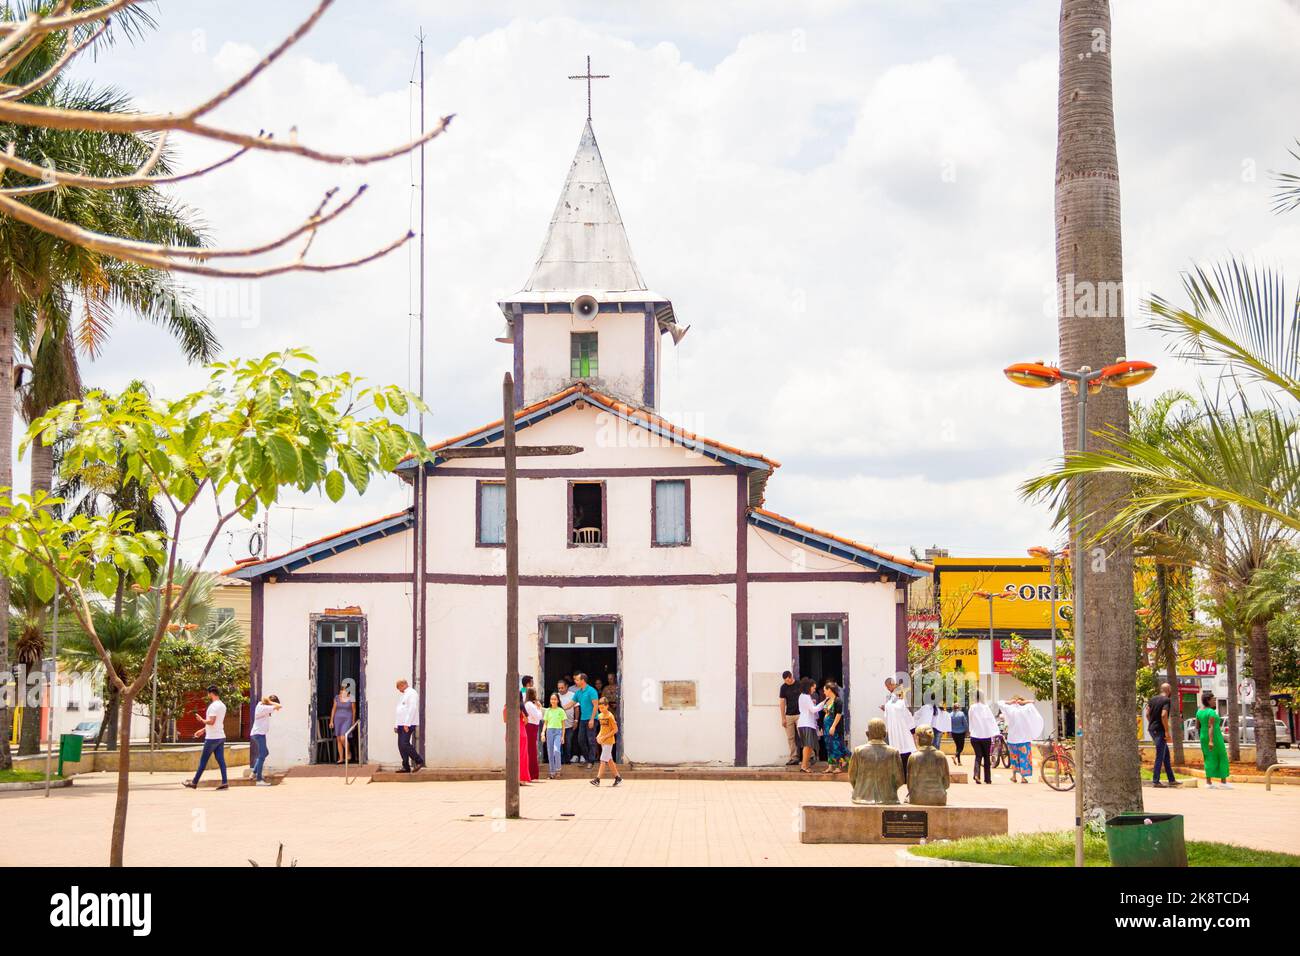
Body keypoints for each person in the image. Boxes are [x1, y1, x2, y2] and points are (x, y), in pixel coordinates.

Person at [183, 685, 228, 790]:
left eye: (208, 693)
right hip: (220, 736)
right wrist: (203, 730)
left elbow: (211, 722)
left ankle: (194, 782)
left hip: (212, 738)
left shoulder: (213, 706)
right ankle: (225, 781)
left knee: (203, 761)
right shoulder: (222, 705)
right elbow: (216, 722)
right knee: (221, 760)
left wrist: (201, 720)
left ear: (211, 693)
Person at [999, 697, 1045, 783]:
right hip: (1024, 739)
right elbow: (1033, 702)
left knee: (1014, 759)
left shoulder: (1010, 709)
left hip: (1012, 740)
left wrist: (1009, 701)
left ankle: (1014, 776)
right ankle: (1023, 778)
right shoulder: (1026, 709)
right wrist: (1025, 701)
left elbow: (1000, 702)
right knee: (1024, 759)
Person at [1146, 682, 1182, 788]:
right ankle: (1155, 781)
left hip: (1152, 729)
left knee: (1166, 755)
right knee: (1160, 755)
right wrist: (1166, 731)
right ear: (1169, 690)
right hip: (1160, 731)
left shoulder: (1152, 699)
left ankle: (1171, 780)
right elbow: (1164, 715)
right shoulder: (1166, 700)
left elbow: (1148, 714)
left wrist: (1152, 723)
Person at [1197, 690, 1231, 789]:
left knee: (1208, 757)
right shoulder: (1211, 712)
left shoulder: (1199, 711)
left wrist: (1204, 737)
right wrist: (1211, 740)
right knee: (1222, 756)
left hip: (1203, 736)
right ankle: (1223, 782)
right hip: (1214, 737)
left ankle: (1208, 782)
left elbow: (1197, 726)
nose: (1214, 701)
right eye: (1213, 699)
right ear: (1208, 700)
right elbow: (1210, 726)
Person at [882, 685, 916, 782]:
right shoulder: (902, 703)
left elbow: (886, 717)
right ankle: (906, 778)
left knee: (898, 755)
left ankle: (899, 778)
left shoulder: (888, 705)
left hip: (894, 734)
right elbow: (908, 718)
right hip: (904, 732)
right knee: (907, 753)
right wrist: (913, 731)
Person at [250, 694, 281, 785]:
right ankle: (259, 779)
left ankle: (254, 773)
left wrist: (268, 702)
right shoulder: (264, 708)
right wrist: (271, 702)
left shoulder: (260, 705)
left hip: (259, 733)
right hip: (259, 734)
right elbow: (279, 706)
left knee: (264, 753)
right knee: (262, 754)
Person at [591, 697, 623, 787]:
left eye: (603, 708)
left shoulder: (610, 716)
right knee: (609, 760)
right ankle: (618, 777)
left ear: (607, 706)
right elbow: (602, 728)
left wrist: (604, 737)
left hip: (609, 741)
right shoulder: (600, 716)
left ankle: (597, 779)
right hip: (603, 741)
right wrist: (599, 736)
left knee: (602, 760)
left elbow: (615, 730)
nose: (601, 710)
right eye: (599, 708)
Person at [394, 678, 424, 773]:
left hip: (407, 724)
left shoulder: (412, 693)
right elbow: (400, 710)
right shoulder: (404, 695)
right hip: (401, 724)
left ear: (403, 685)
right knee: (401, 745)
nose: (399, 690)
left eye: (399, 688)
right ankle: (405, 766)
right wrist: (396, 724)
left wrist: (407, 723)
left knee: (404, 744)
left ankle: (419, 761)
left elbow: (412, 708)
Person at [967, 692, 998, 784]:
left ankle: (976, 775)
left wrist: (971, 731)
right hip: (985, 736)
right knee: (986, 758)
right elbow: (991, 720)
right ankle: (987, 779)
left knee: (978, 756)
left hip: (975, 736)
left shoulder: (972, 707)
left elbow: (970, 720)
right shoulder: (986, 707)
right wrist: (995, 732)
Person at [570, 673, 600, 766]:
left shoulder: (591, 691)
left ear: (583, 681)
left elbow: (596, 705)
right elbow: (571, 703)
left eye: (577, 680)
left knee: (591, 740)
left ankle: (591, 761)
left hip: (592, 719)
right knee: (581, 740)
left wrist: (591, 719)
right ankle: (588, 759)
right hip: (583, 719)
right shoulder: (578, 692)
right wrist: (558, 707)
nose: (575, 681)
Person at [797, 677, 825, 773]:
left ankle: (805, 765)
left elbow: (809, 708)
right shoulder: (806, 696)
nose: (814, 689)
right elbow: (813, 710)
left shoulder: (802, 696)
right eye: (813, 687)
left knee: (809, 745)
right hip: (807, 723)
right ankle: (804, 766)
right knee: (807, 745)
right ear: (809, 687)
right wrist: (823, 703)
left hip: (805, 723)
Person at [821, 681, 847, 774]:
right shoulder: (827, 700)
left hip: (833, 727)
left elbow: (838, 715)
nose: (824, 692)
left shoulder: (838, 700)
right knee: (829, 746)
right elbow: (825, 714)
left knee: (836, 746)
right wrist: (822, 727)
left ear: (829, 690)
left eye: (825, 690)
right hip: (826, 727)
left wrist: (833, 726)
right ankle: (830, 766)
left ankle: (839, 766)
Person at [505, 699, 533, 784]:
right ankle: (522, 778)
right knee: (522, 756)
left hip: (511, 733)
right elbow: (526, 721)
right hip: (521, 732)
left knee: (511, 756)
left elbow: (505, 720)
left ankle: (514, 779)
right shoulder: (521, 706)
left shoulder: (506, 707)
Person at [778, 671, 801, 766]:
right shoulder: (783, 687)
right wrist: (783, 718)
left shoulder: (799, 684)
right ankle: (794, 757)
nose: (787, 682)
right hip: (789, 716)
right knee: (790, 738)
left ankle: (810, 755)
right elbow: (782, 702)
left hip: (800, 714)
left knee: (803, 735)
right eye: (785, 681)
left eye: (788, 680)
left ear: (791, 677)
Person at [329, 684, 356, 764]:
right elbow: (333, 709)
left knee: (343, 738)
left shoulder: (351, 698)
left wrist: (353, 721)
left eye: (345, 690)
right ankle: (341, 758)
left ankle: (348, 752)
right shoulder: (337, 698)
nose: (343, 691)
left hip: (347, 718)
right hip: (337, 719)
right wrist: (331, 721)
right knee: (338, 739)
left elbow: (354, 710)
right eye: (343, 689)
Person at [543, 692, 567, 779]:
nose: (553, 701)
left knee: (556, 750)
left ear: (558, 700)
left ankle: (558, 770)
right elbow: (545, 723)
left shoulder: (561, 710)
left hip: (558, 731)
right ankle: (552, 772)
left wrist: (563, 736)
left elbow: (563, 725)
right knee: (550, 752)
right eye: (552, 699)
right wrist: (543, 733)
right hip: (549, 731)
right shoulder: (547, 711)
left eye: (555, 699)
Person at [523, 688, 543, 782]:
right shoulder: (530, 705)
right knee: (532, 751)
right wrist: (539, 708)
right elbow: (539, 716)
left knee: (531, 751)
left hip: (532, 727)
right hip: (531, 727)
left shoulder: (528, 704)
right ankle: (533, 775)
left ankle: (531, 774)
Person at [557, 679, 577, 763]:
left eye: (562, 688)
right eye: (559, 688)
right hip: (558, 725)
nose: (560, 690)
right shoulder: (556, 696)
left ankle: (567, 760)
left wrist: (576, 720)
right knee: (559, 743)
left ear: (566, 687)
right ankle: (560, 761)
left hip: (569, 724)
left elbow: (577, 708)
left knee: (568, 743)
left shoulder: (573, 695)